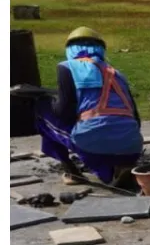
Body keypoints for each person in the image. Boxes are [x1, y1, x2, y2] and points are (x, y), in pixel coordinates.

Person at [36, 27, 143, 187]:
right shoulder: (117, 74)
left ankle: (72, 171)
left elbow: (64, 113)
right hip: (132, 146)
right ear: (100, 48)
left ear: (70, 49)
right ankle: (122, 165)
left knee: (40, 109)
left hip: (92, 143)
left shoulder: (67, 67)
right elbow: (136, 119)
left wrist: (50, 101)